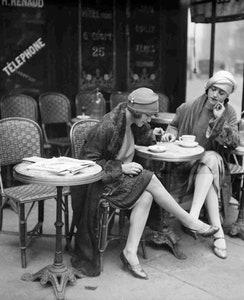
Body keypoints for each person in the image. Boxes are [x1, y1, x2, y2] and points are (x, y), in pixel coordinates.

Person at [70, 87, 219, 279]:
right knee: (150, 178)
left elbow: (142, 136)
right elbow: (87, 163)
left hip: (119, 179)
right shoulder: (108, 126)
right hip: (100, 184)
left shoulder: (130, 119)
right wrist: (121, 168)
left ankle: (129, 253)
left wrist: (154, 134)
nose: (149, 120)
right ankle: (189, 220)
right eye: (148, 116)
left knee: (147, 195)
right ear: (137, 111)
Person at [162, 70, 240, 259]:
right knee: (209, 175)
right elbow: (173, 125)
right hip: (186, 165)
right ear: (207, 87)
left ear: (227, 96)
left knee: (211, 158)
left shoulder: (229, 112)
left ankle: (193, 217)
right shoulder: (188, 107)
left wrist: (220, 119)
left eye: (221, 93)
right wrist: (170, 134)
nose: (215, 95)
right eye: (213, 89)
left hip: (212, 164)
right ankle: (218, 233)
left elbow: (234, 142)